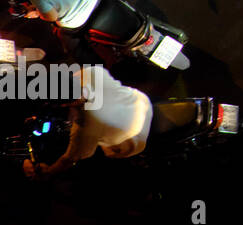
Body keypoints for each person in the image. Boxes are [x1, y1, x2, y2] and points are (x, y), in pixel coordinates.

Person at [21, 65, 153, 178]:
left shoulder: (85, 127)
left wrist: (48, 171)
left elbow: (68, 160)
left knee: (90, 163)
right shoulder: (91, 72)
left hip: (131, 141)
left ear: (63, 105)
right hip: (142, 102)